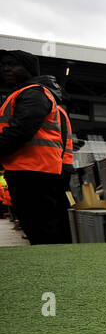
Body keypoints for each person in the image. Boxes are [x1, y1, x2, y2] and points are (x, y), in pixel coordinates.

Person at [0, 50, 73, 244]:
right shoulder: (27, 93)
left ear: (28, 69)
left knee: (42, 231)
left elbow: (20, 131)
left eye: (13, 64)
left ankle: (54, 269)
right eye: (4, 65)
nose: (6, 69)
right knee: (42, 228)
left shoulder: (33, 93)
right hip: (32, 170)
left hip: (34, 171)